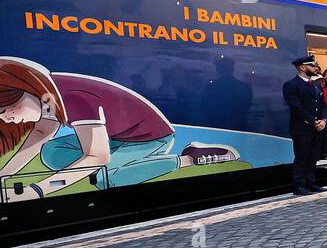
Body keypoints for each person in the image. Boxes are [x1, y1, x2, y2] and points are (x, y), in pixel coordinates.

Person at [0, 56, 240, 199]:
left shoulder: (73, 98)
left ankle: (188, 158)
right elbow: (42, 133)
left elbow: (97, 156)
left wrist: (37, 190)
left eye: (5, 110)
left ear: (23, 89)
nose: (7, 119)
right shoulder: (47, 96)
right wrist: (4, 175)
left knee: (108, 177)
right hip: (114, 137)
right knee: (51, 153)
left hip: (148, 138)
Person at [282, 56, 327, 196]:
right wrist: (313, 121)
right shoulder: (291, 85)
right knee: (302, 156)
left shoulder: (316, 85)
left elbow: (324, 105)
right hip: (302, 128)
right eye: (312, 65)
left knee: (313, 156)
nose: (316, 68)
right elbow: (296, 107)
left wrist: (324, 120)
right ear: (302, 67)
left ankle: (311, 183)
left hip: (317, 127)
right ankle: (299, 185)